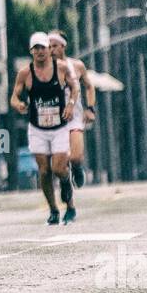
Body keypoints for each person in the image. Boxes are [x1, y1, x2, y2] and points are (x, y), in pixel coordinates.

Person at [10, 31, 78, 224]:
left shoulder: (62, 68)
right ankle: (54, 210)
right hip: (37, 127)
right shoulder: (25, 73)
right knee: (44, 171)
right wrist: (18, 104)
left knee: (58, 168)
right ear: (31, 51)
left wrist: (71, 104)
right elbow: (14, 96)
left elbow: (75, 87)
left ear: (49, 49)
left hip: (59, 127)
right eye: (36, 48)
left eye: (43, 47)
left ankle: (68, 192)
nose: (40, 52)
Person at [48, 31, 94, 192]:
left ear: (63, 46)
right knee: (58, 165)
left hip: (74, 117)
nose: (51, 50)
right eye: (48, 47)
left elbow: (89, 86)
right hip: (54, 119)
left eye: (54, 46)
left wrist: (90, 108)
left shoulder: (77, 65)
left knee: (75, 157)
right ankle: (65, 181)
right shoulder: (45, 68)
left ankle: (76, 168)